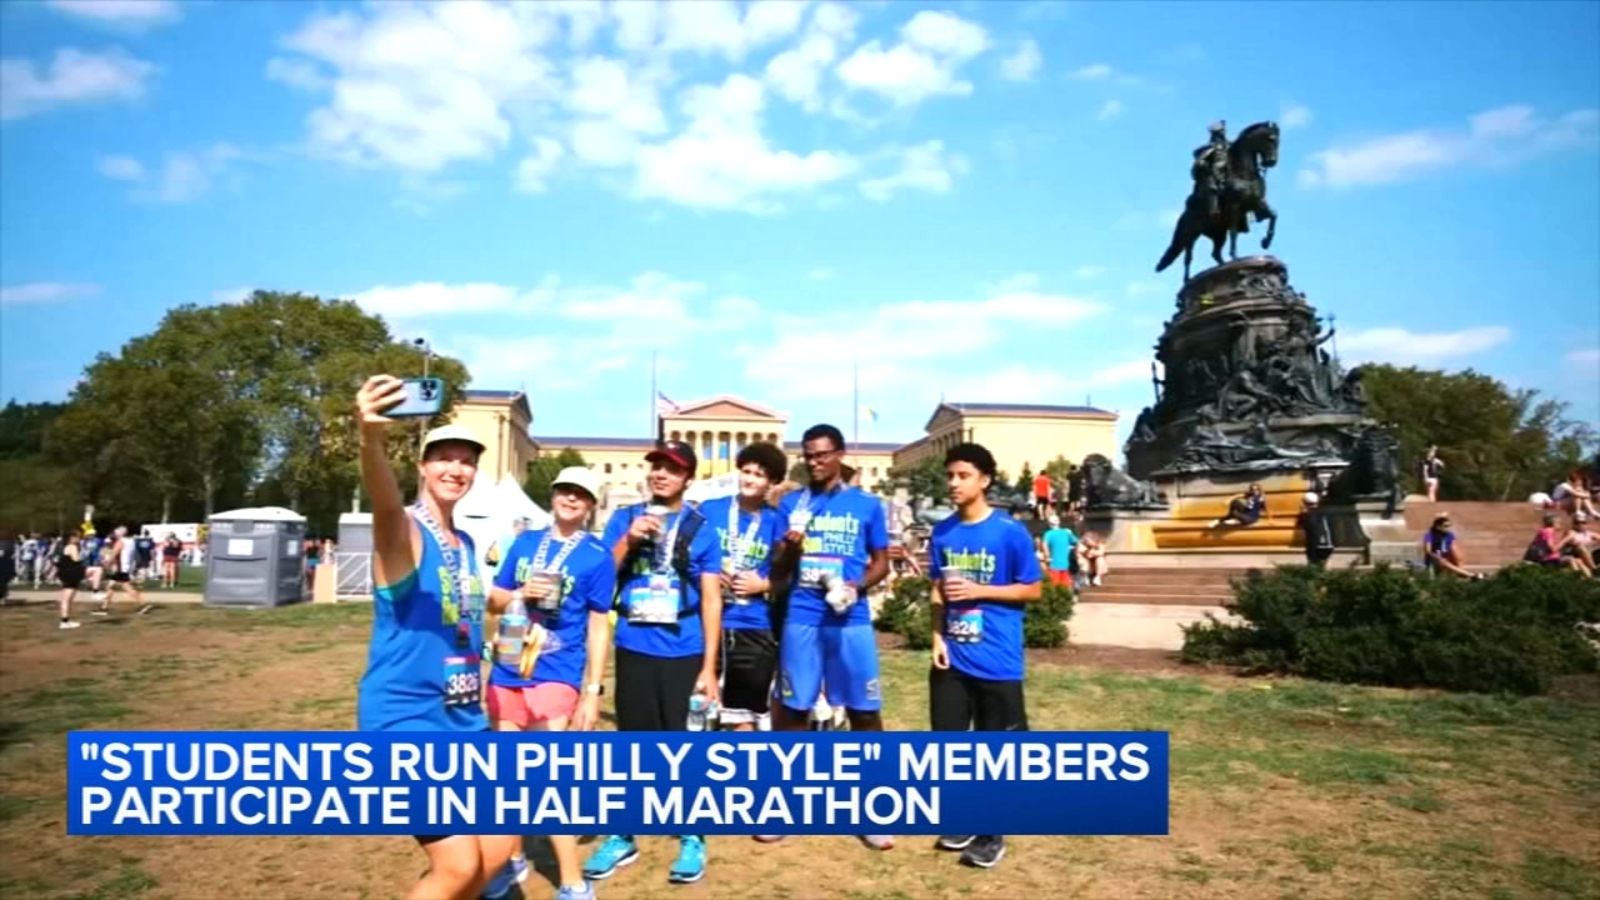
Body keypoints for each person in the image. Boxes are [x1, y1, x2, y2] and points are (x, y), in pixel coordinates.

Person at [351, 374, 517, 900]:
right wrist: (370, 439)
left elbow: (473, 608)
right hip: (406, 721)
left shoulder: (465, 542)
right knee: (457, 864)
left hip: (464, 719)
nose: (456, 468)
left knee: (500, 843)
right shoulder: (404, 532)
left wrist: (519, 610)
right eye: (443, 457)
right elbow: (382, 505)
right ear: (422, 467)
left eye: (466, 460)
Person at [584, 439, 723, 887]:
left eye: (671, 469)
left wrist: (709, 666)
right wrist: (629, 539)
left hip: (683, 648)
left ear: (687, 478)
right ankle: (624, 831)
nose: (661, 474)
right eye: (656, 466)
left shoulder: (701, 528)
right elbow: (600, 575)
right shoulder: (624, 518)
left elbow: (712, 599)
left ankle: (692, 834)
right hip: (634, 645)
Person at [486, 466, 615, 900]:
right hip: (507, 669)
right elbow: (494, 600)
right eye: (565, 490)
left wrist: (593, 691)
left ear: (591, 505)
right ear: (553, 494)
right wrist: (521, 592)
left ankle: (574, 882)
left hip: (556, 674)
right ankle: (513, 858)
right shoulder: (523, 543)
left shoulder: (596, 556)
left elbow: (599, 625)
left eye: (581, 494)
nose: (571, 499)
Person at [763, 424, 892, 850]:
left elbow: (881, 563)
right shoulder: (790, 504)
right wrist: (791, 545)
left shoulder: (866, 505)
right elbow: (778, 570)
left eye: (822, 454)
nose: (815, 462)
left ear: (839, 454)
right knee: (793, 712)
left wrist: (856, 587)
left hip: (848, 618)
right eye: (809, 455)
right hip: (802, 616)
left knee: (864, 712)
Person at [926, 443, 1042, 869]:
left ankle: (993, 833)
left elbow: (1032, 588)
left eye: (963, 476)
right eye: (950, 476)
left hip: (997, 658)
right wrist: (937, 636)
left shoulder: (1009, 531)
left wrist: (980, 591)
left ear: (985, 480)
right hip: (952, 657)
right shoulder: (942, 532)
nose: (954, 483)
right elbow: (937, 588)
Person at [695, 442, 788, 733]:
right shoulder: (711, 510)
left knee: (742, 716)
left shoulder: (776, 521)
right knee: (698, 709)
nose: (749, 479)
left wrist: (764, 584)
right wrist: (708, 573)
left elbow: (790, 574)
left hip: (753, 625)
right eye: (746, 471)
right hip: (707, 622)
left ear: (771, 482)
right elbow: (685, 557)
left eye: (759, 475)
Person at [93, 526, 151, 616]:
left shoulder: (120, 542)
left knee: (126, 587)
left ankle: (143, 604)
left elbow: (113, 554)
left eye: (116, 533)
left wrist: (106, 563)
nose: (115, 534)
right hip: (127, 567)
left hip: (121, 567)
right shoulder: (131, 541)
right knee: (111, 586)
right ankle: (104, 607)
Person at [1423, 514, 1480, 580]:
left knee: (1457, 556)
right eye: (1445, 526)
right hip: (1434, 558)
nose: (1448, 528)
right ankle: (1471, 575)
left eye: (1449, 526)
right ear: (1438, 527)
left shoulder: (1450, 535)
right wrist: (1439, 557)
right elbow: (1428, 551)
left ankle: (1462, 574)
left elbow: (1453, 547)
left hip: (1445, 556)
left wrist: (1457, 558)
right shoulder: (1430, 535)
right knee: (1443, 561)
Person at [1296, 492, 1335, 569]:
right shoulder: (1324, 512)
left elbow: (1302, 526)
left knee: (1313, 566)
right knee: (1322, 566)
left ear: (1305, 503)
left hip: (1315, 545)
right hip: (1328, 544)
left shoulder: (1307, 515)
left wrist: (1302, 513)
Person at [55, 532, 85, 629]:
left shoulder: (65, 546)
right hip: (71, 574)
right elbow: (76, 559)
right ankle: (64, 622)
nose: (80, 538)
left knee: (66, 599)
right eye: (78, 537)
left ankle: (65, 620)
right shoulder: (72, 546)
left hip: (66, 574)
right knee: (67, 599)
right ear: (72, 538)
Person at [1040, 514, 1078, 586]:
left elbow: (1044, 545)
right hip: (1062, 563)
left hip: (1057, 563)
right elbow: (1076, 541)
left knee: (1056, 584)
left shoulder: (1049, 533)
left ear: (1049, 524)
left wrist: (1047, 556)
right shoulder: (1065, 532)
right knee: (1064, 584)